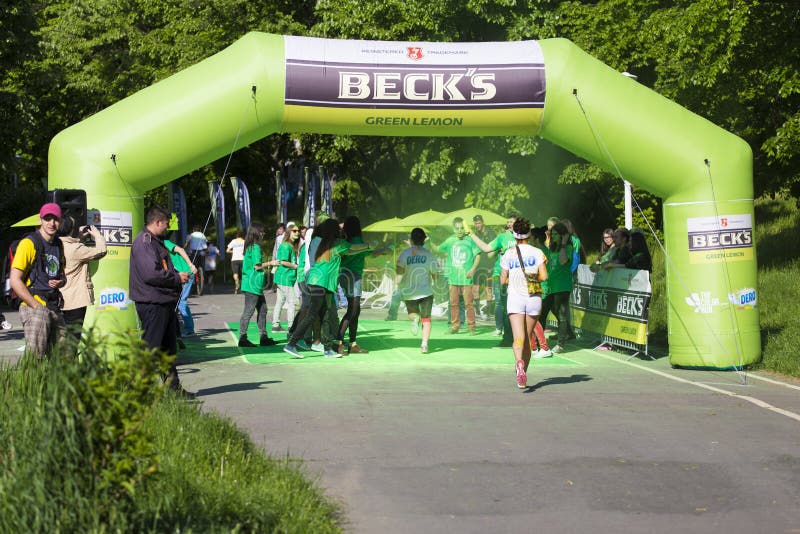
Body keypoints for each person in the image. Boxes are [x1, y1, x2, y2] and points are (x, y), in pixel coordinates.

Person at [284, 219, 369, 358]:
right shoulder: (338, 244)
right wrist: (368, 246)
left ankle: (327, 349)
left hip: (315, 281)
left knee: (325, 316)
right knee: (313, 314)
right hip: (322, 283)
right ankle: (291, 343)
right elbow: (355, 249)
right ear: (334, 230)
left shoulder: (318, 241)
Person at [129, 205, 191, 395]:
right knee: (151, 348)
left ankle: (173, 388)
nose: (168, 227)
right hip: (153, 303)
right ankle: (138, 391)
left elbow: (161, 269)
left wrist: (175, 275)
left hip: (163, 301)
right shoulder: (145, 242)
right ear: (157, 222)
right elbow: (151, 274)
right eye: (166, 223)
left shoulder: (156, 241)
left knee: (167, 349)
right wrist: (176, 278)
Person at [9, 202, 68, 357]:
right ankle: (31, 382)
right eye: (47, 219)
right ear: (40, 220)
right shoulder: (29, 243)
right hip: (34, 307)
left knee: (64, 359)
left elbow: (62, 274)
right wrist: (35, 306)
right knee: (35, 358)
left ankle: (53, 382)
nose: (51, 223)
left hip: (54, 306)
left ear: (60, 221)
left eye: (55, 219)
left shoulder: (58, 244)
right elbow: (15, 279)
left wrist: (61, 281)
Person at [500, 218, 548, 388]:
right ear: (529, 233)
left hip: (515, 298)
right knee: (528, 338)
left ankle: (518, 362)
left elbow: (503, 279)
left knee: (518, 338)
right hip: (533, 297)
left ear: (514, 234)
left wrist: (513, 278)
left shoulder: (508, 253)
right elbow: (544, 276)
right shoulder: (537, 252)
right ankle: (523, 374)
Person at [470, 215, 518, 346]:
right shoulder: (503, 237)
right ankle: (503, 332)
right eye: (507, 222)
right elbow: (488, 251)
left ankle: (521, 336)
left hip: (518, 277)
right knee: (501, 304)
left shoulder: (525, 237)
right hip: (501, 274)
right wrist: (472, 235)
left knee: (516, 307)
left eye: (512, 222)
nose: (509, 224)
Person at [397, 228, 439, 353]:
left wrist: (398, 284)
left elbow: (399, 273)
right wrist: (435, 282)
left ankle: (415, 319)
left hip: (410, 292)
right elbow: (435, 273)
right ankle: (424, 345)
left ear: (411, 240)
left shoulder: (404, 254)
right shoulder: (429, 255)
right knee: (426, 319)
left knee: (412, 314)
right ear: (424, 240)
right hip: (426, 292)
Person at [336, 216, 373, 354]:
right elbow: (371, 252)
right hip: (354, 276)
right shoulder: (357, 240)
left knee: (355, 310)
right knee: (353, 310)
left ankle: (352, 343)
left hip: (344, 275)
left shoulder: (345, 240)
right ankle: (338, 342)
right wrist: (385, 248)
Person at [437, 217, 481, 334]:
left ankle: (472, 327)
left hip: (466, 278)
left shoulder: (470, 240)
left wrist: (473, 269)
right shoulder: (450, 240)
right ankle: (454, 327)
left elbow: (478, 255)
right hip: (453, 277)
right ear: (453, 229)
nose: (460, 230)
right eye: (457, 228)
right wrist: (428, 242)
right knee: (453, 303)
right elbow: (437, 250)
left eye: (462, 228)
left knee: (468, 304)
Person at [238, 222, 278, 348]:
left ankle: (263, 337)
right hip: (252, 284)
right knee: (248, 311)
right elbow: (257, 266)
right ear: (256, 232)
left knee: (263, 309)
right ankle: (243, 338)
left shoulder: (251, 246)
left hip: (254, 284)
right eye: (261, 231)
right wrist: (271, 262)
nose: (263, 233)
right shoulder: (255, 247)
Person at [61, 224, 107, 332]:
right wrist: (97, 235)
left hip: (59, 298)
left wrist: (79, 239)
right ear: (71, 230)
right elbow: (101, 251)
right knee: (73, 338)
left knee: (61, 336)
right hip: (75, 299)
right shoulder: (75, 248)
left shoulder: (55, 245)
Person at [538, 222, 573, 354]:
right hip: (552, 286)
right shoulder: (552, 248)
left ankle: (561, 344)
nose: (553, 236)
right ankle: (539, 342)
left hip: (563, 286)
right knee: (542, 312)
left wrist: (563, 244)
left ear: (562, 235)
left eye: (556, 234)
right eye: (552, 234)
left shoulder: (568, 247)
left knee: (561, 315)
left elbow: (563, 261)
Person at [163, 237, 198, 336]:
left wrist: (191, 265)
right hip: (179, 274)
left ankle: (189, 329)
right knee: (175, 301)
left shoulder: (164, 242)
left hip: (186, 273)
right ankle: (177, 328)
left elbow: (181, 250)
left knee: (181, 301)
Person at [272, 221, 300, 332]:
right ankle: (291, 326)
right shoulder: (285, 246)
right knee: (292, 303)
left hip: (285, 278)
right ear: (289, 232)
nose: (297, 233)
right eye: (294, 231)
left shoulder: (290, 245)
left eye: (298, 231)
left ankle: (275, 325)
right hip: (285, 278)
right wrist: (296, 266)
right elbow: (283, 262)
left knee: (280, 301)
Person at [471, 214, 496, 318]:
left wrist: (492, 265)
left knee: (488, 290)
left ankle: (488, 312)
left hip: (488, 266)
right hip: (477, 266)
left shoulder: (491, 233)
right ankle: (477, 311)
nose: (477, 225)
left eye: (479, 223)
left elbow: (495, 250)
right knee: (475, 289)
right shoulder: (475, 234)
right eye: (475, 223)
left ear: (483, 222)